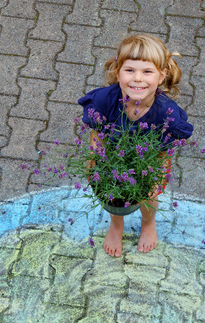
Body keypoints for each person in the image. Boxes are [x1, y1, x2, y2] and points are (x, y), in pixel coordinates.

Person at [78, 33, 194, 256]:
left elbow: (162, 153)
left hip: (150, 163)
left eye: (147, 71)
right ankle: (116, 225)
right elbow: (97, 136)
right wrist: (96, 161)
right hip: (110, 158)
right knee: (113, 194)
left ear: (161, 76)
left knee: (149, 195)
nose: (137, 79)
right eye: (130, 70)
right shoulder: (104, 101)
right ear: (117, 71)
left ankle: (148, 224)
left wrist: (155, 177)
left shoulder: (167, 114)